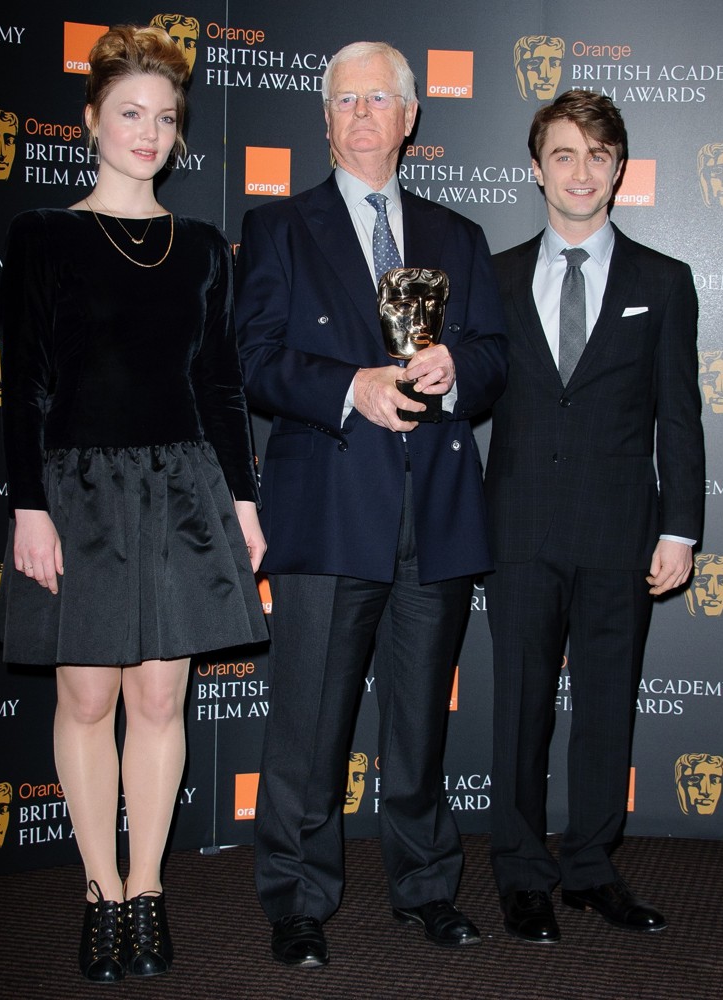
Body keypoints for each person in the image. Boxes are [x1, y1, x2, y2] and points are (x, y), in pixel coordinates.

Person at [0, 25, 267, 984]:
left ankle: (147, 890)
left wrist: (243, 498)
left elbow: (222, 384)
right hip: (78, 491)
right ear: (91, 123)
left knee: (160, 696)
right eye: (130, 116)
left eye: (164, 119)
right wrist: (30, 507)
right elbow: (22, 385)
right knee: (88, 695)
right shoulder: (43, 236)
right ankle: (98, 891)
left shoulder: (200, 248)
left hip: (185, 487)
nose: (148, 134)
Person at [235, 40, 507, 968]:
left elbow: (495, 357)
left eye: (378, 100)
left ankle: (427, 888)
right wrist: (349, 385)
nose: (360, 116)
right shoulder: (276, 230)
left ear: (410, 117)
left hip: (431, 513)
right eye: (343, 101)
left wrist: (455, 369)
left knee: (419, 724)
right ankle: (297, 900)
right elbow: (255, 361)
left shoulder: (456, 238)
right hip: (325, 513)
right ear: (323, 119)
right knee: (307, 728)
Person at [485, 89, 704, 944]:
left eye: (598, 155)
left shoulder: (664, 279)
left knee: (608, 705)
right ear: (536, 168)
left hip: (620, 531)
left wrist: (679, 528)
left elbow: (679, 418)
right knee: (518, 711)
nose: (581, 172)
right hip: (516, 529)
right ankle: (519, 874)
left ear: (619, 170)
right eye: (564, 155)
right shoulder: (491, 275)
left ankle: (589, 867)